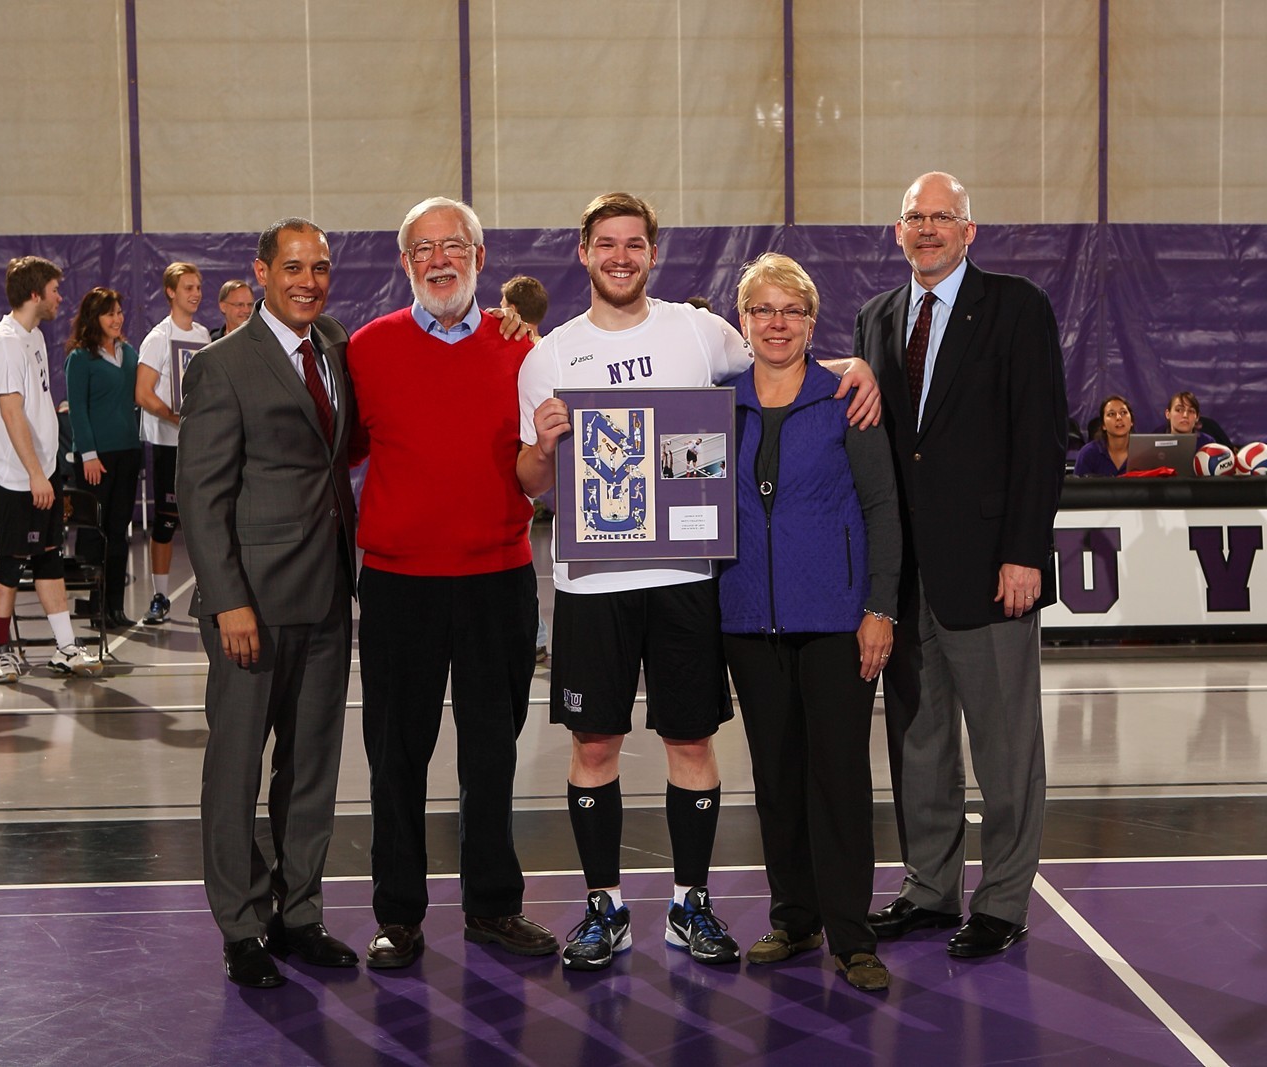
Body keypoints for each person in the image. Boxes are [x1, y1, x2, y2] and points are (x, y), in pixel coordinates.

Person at [517, 191, 880, 972]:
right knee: (594, 743)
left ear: (654, 253)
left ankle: (690, 903)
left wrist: (856, 364)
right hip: (591, 585)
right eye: (606, 243)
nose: (620, 255)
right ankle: (602, 906)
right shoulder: (547, 356)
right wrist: (544, 449)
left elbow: (782, 360)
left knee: (692, 740)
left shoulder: (701, 331)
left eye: (635, 243)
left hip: (685, 578)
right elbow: (527, 478)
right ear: (584, 251)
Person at [856, 171, 1067, 959]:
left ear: (970, 230)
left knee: (1007, 748)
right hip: (906, 579)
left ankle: (1004, 900)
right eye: (916, 217)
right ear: (897, 229)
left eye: (943, 217)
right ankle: (930, 888)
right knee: (921, 744)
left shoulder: (1017, 308)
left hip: (990, 572)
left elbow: (1042, 438)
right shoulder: (876, 318)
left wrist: (1023, 550)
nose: (929, 229)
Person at [345, 197, 554, 971]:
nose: (439, 260)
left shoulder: (522, 349)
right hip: (400, 587)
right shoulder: (367, 349)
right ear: (406, 264)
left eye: (453, 246)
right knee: (396, 756)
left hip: (498, 579)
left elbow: (544, 457)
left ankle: (494, 904)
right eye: (423, 249)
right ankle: (398, 914)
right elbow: (341, 451)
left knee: (492, 755)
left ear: (479, 255)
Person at [177, 217, 360, 990]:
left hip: (325, 597)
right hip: (249, 608)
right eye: (292, 267)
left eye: (319, 267)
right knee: (235, 771)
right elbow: (201, 495)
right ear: (260, 273)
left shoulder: (338, 347)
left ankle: (300, 912)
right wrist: (228, 603)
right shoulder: (222, 366)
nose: (308, 281)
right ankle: (243, 925)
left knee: (311, 769)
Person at [719, 253, 901, 992]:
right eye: (762, 310)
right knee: (776, 774)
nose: (777, 323)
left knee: (838, 777)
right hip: (745, 618)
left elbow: (882, 510)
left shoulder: (846, 399)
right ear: (743, 321)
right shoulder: (716, 402)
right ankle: (795, 917)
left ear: (811, 320)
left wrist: (878, 606)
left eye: (790, 310)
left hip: (835, 618)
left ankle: (852, 936)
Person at [0, 257, 103, 684]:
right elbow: (11, 412)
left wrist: (48, 460)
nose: (59, 297)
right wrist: (34, 472)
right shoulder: (6, 343)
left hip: (43, 467)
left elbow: (32, 405)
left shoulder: (31, 337)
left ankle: (66, 647)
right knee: (12, 559)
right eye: (54, 289)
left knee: (50, 554)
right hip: (20, 474)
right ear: (35, 294)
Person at [136, 262, 208, 625]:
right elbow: (142, 392)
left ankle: (210, 590)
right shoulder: (157, 338)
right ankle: (159, 595)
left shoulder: (203, 337)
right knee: (165, 522)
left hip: (199, 444)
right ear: (171, 292)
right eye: (188, 288)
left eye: (198, 287)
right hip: (167, 443)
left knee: (204, 520)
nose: (195, 293)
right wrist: (173, 416)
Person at [64, 287, 140, 629]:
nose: (117, 318)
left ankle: (115, 607)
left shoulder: (130, 353)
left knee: (118, 531)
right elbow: (77, 410)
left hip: (128, 452)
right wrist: (89, 455)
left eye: (119, 312)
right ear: (94, 318)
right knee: (95, 533)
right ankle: (94, 607)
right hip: (95, 458)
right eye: (109, 313)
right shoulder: (80, 358)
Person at [499, 273, 554, 662]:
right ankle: (534, 635)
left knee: (515, 559)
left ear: (513, 310)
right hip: (536, 465)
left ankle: (533, 635)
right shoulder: (549, 352)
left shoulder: (524, 352)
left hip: (521, 467)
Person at [1072, 395, 1134, 477]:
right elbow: (1077, 488)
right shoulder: (1088, 453)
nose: (1119, 417)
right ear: (1103, 425)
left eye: (1123, 413)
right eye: (1111, 414)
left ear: (1131, 421)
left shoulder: (1145, 453)